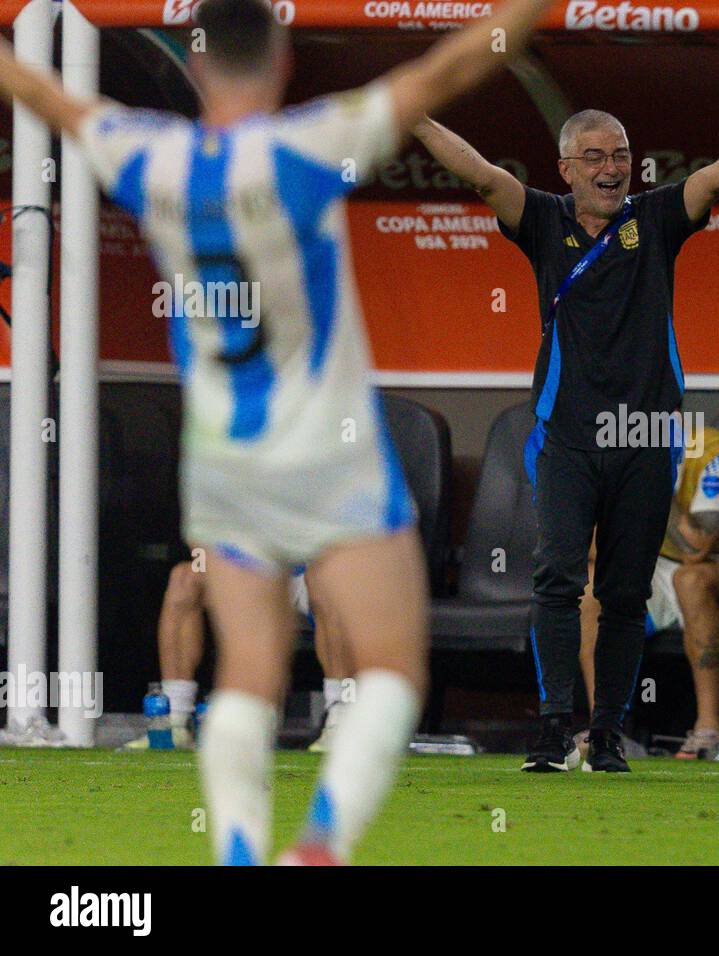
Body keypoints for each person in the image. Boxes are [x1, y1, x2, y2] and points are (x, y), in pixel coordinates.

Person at [0, 0, 553, 863]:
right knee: (395, 676)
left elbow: (32, 83)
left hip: (223, 464)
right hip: (331, 457)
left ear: (192, 66)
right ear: (284, 59)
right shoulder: (307, 145)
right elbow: (451, 68)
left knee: (248, 680)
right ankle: (320, 845)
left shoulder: (149, 151)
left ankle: (238, 852)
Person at [414, 95, 719, 773]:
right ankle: (550, 731)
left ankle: (606, 735)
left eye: (622, 156)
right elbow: (482, 174)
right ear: (567, 167)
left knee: (626, 594)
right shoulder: (541, 219)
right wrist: (418, 119)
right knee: (558, 582)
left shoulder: (656, 219)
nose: (612, 168)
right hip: (567, 438)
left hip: (647, 437)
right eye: (596, 157)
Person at [578, 427, 719, 759]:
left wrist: (651, 480)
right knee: (591, 589)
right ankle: (605, 729)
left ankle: (710, 728)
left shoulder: (718, 455)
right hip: (667, 565)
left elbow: (697, 546)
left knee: (692, 579)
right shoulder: (615, 457)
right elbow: (592, 548)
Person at [124, 563, 352, 753]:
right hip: (255, 575)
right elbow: (205, 547)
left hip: (311, 574)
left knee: (325, 575)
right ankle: (174, 721)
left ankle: (341, 719)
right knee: (185, 577)